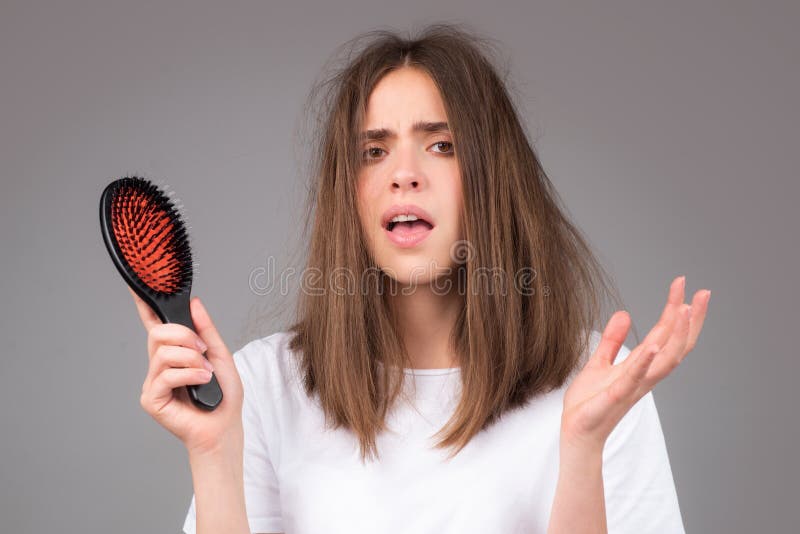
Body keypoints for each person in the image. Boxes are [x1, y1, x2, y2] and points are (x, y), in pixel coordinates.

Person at [130, 23, 711, 534]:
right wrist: (213, 456)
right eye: (374, 151)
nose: (404, 174)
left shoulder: (598, 386)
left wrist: (582, 449)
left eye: (441, 145)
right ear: (347, 193)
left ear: (491, 177)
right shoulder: (259, 387)